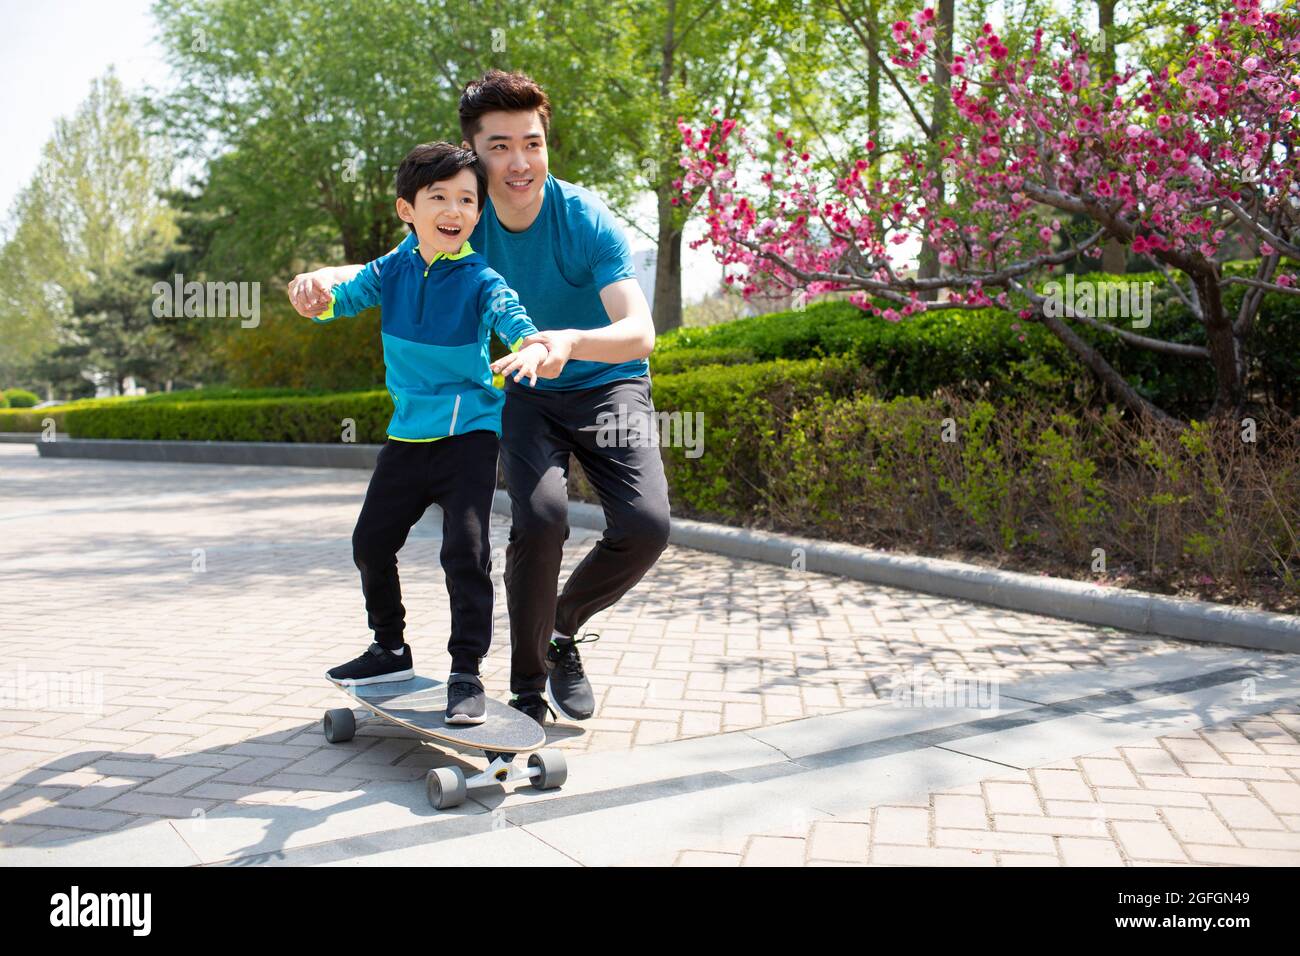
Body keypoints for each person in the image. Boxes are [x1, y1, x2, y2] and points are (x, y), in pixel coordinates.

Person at [290, 71, 671, 729]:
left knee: (646, 527)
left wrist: (568, 342)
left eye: (532, 142)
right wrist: (323, 280)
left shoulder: (583, 220)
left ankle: (561, 631)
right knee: (542, 516)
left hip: (606, 384)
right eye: (500, 146)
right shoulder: (461, 219)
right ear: (475, 154)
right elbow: (387, 271)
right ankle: (527, 687)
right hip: (523, 391)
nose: (520, 162)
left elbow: (641, 332)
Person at [302, 141, 549, 726]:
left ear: (478, 214)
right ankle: (389, 649)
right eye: (439, 196)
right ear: (407, 210)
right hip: (409, 436)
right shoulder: (390, 269)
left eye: (467, 199)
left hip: (468, 434)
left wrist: (532, 344)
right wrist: (316, 300)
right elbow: (343, 298)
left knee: (464, 552)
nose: (455, 209)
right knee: (369, 543)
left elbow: (513, 317)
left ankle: (466, 672)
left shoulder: (481, 279)